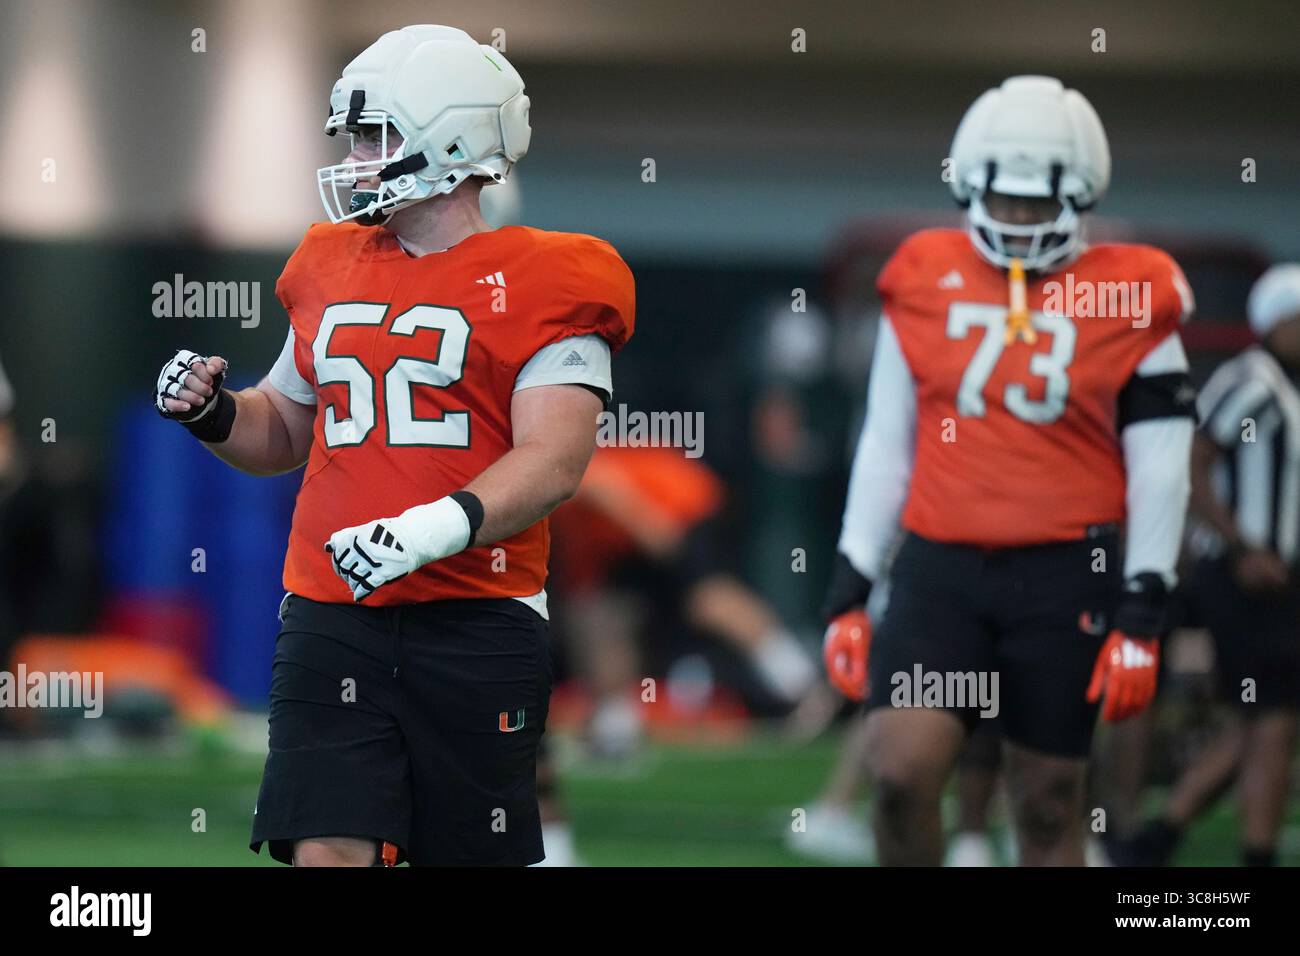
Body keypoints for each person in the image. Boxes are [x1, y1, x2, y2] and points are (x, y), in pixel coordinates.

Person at [152, 25, 634, 866]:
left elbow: (555, 461)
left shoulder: (557, 277)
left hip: (478, 616)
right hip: (332, 608)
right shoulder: (329, 263)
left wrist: (424, 532)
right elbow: (284, 429)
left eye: (376, 134)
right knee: (325, 851)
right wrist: (215, 413)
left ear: (450, 137)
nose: (358, 156)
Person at [821, 75, 1197, 865]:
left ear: (1081, 194)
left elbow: (1160, 463)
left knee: (1049, 801)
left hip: (1068, 570)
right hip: (941, 567)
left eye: (1037, 204)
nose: (1020, 220)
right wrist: (851, 581)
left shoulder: (1133, 288)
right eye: (1007, 202)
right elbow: (888, 440)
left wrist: (1144, 607)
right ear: (970, 188)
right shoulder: (923, 271)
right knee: (900, 773)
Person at [1113, 263, 1300, 867]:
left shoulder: (1286, 388)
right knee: (1272, 715)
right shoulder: (1252, 381)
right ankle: (1254, 854)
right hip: (1243, 575)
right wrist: (1242, 546)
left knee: (1267, 717)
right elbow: (1194, 462)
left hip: (1276, 575)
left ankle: (1158, 836)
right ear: (1279, 322)